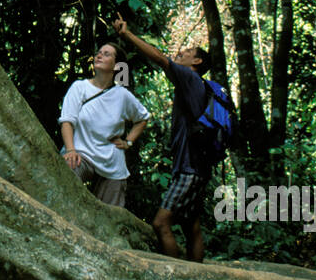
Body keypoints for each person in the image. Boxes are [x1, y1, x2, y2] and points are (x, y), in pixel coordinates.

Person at [110, 16, 218, 261]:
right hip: (197, 168)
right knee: (192, 227)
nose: (182, 51)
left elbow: (160, 59)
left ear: (197, 61)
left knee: (161, 224)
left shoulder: (190, 78)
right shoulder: (198, 86)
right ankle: (198, 276)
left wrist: (126, 35)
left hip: (189, 169)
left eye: (188, 51)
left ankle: (178, 275)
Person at [59, 41, 150, 210]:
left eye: (106, 54)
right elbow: (67, 121)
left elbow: (142, 118)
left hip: (111, 161)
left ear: (117, 66)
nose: (99, 55)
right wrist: (70, 150)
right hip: (81, 154)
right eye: (99, 52)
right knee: (65, 180)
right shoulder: (79, 88)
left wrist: (128, 142)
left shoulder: (122, 95)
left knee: (112, 214)